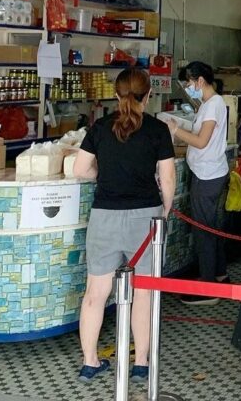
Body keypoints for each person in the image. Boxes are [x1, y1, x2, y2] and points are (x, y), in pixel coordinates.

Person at [73, 68, 175, 383]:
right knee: (142, 293)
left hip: (104, 216)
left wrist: (101, 178)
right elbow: (168, 178)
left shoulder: (100, 127)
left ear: (116, 95)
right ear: (148, 95)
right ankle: (141, 363)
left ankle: (90, 362)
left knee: (96, 293)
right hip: (145, 217)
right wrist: (165, 212)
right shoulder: (158, 129)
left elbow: (79, 169)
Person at [165, 61, 229, 304]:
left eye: (189, 83)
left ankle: (208, 285)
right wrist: (182, 128)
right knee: (211, 226)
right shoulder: (208, 104)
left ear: (200, 81)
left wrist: (174, 129)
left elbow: (201, 141)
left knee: (204, 230)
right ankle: (219, 274)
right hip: (208, 172)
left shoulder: (213, 105)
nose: (188, 87)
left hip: (207, 176)